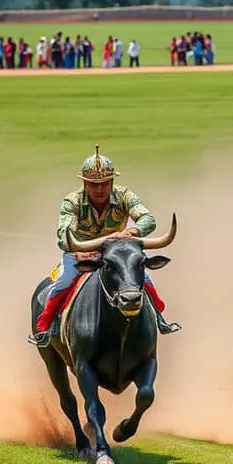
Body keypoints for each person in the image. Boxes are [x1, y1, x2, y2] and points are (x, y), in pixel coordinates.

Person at [29, 146, 180, 347]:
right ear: (84, 183)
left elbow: (147, 219)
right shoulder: (72, 202)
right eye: (93, 184)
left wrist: (132, 232)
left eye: (105, 183)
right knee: (64, 282)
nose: (99, 189)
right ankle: (46, 328)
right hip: (81, 254)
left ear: (112, 182)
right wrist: (79, 250)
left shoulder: (125, 195)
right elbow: (64, 237)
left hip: (119, 254)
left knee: (143, 281)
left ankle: (160, 320)